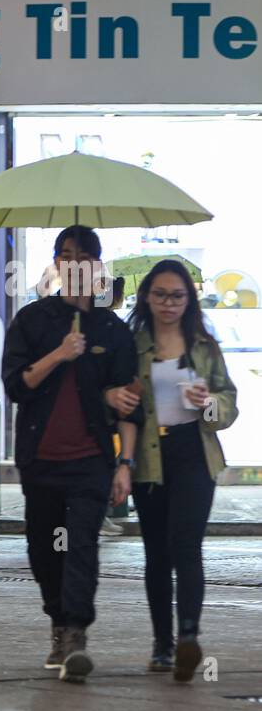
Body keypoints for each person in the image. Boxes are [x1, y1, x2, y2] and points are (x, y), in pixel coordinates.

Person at [1, 226, 141, 682]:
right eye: (66, 255)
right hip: (40, 458)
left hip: (91, 461)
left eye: (84, 257)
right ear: (57, 264)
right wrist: (59, 354)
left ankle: (76, 633)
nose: (74, 264)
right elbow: (16, 387)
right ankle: (58, 623)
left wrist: (125, 464)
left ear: (97, 266)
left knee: (82, 545)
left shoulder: (111, 329)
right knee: (44, 550)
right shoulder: (32, 320)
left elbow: (127, 402)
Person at [120, 260, 237, 682]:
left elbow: (228, 400)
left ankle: (189, 637)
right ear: (147, 297)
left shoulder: (204, 345)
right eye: (160, 294)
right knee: (157, 553)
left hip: (195, 453)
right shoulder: (132, 345)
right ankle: (161, 646)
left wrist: (209, 403)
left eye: (177, 296)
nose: (168, 303)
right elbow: (119, 404)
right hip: (151, 457)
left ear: (188, 300)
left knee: (187, 545)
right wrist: (122, 397)